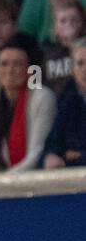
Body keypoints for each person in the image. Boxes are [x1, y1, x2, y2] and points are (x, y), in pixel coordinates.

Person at [0, 37, 57, 173]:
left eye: (17, 64)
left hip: (30, 178)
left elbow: (37, 152)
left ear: (29, 70)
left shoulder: (42, 97)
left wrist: (7, 180)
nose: (10, 70)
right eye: (4, 64)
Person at [44, 39, 86, 167]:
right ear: (72, 70)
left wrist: (67, 161)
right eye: (80, 64)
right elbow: (51, 146)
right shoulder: (69, 100)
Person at [43, 0, 86, 97]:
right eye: (63, 21)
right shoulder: (46, 53)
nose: (69, 25)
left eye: (74, 20)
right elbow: (38, 84)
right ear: (55, 28)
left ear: (83, 25)